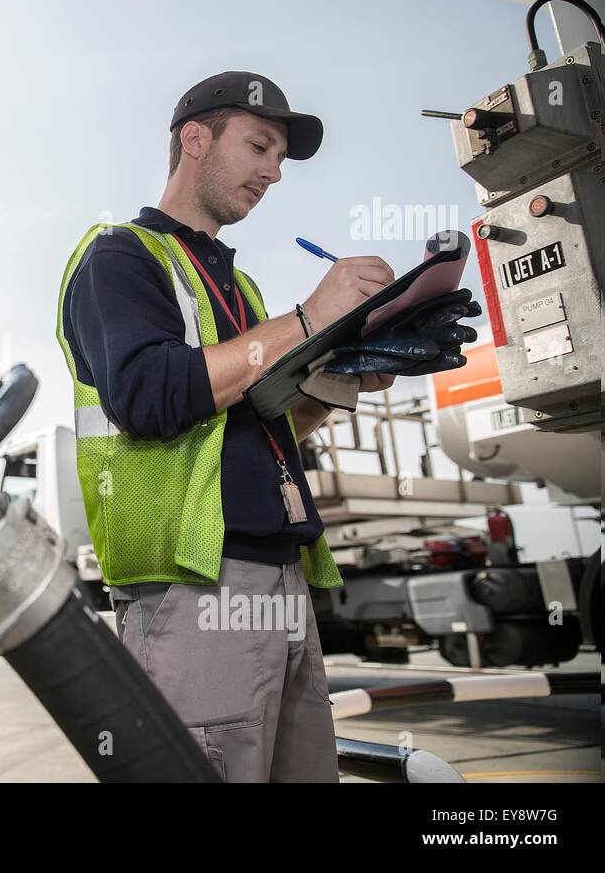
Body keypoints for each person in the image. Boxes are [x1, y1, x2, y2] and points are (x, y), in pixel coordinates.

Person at [55, 71, 398, 782]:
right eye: (260, 146)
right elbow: (149, 396)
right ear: (195, 139)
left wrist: (345, 378)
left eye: (278, 158)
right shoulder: (120, 258)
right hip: (193, 588)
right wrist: (307, 319)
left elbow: (267, 430)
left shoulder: (241, 293)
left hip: (281, 579)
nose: (273, 172)